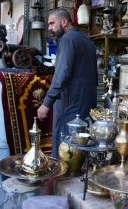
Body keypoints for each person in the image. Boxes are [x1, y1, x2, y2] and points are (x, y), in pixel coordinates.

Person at [37, 8, 97, 158]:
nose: (49, 28)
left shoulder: (68, 39)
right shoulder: (87, 41)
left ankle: (61, 180)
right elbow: (95, 76)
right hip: (87, 104)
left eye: (52, 23)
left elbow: (62, 74)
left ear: (64, 22)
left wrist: (46, 103)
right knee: (82, 146)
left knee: (66, 149)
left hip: (70, 105)